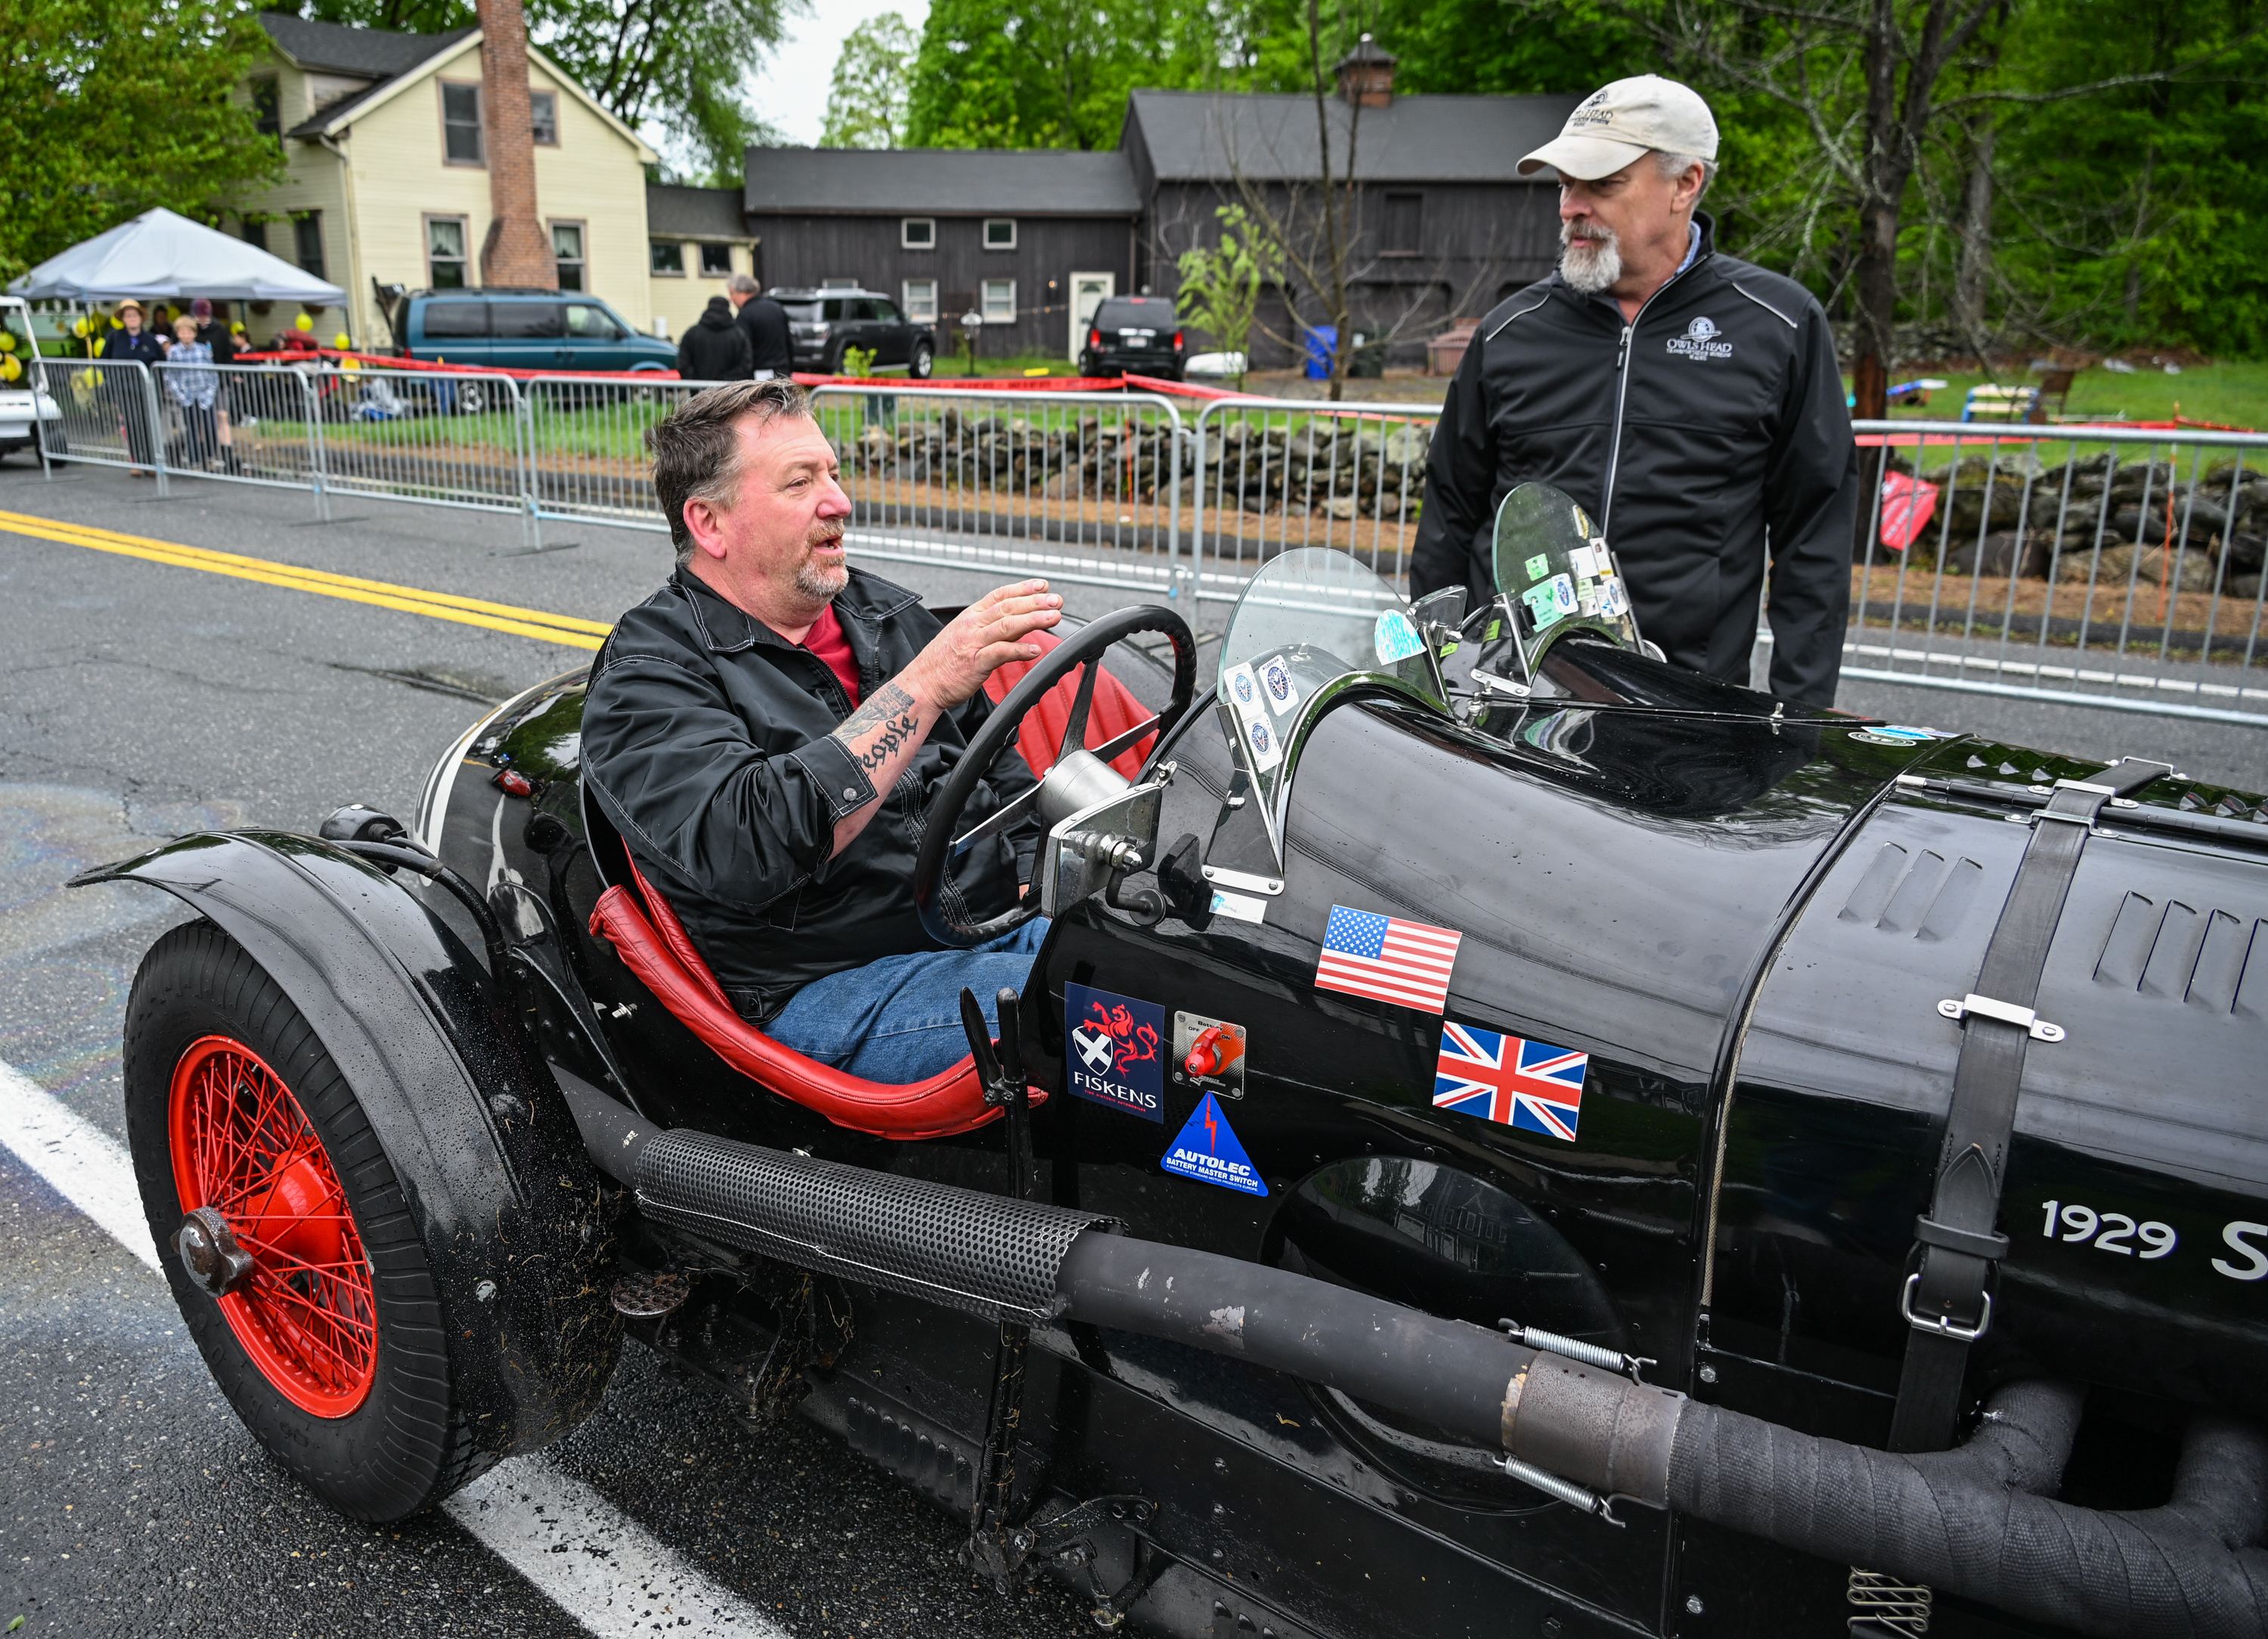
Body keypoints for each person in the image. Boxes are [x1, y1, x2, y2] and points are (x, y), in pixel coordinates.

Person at [580, 379, 1062, 1081]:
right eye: (799, 482)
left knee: (1193, 966)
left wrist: (1037, 876)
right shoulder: (648, 672)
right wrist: (922, 687)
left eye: (832, 473)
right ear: (709, 523)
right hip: (823, 990)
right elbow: (748, 847)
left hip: (985, 933)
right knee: (1116, 1015)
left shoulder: (885, 615)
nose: (839, 501)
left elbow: (1001, 776)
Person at [1409, 75, 1858, 706]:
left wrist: (1800, 720)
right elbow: (1448, 521)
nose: (1571, 206)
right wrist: (1436, 681)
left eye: (1602, 184)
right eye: (1565, 184)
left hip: (1686, 709)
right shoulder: (1511, 331)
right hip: (1513, 701)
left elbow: (1814, 538)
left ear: (1686, 184)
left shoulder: (1778, 327)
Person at [99, 300, 165, 475]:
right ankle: (136, 461)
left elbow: (161, 363)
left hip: (146, 390)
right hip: (124, 389)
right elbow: (104, 362)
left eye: (134, 315)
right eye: (128, 316)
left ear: (141, 318)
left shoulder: (150, 340)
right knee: (132, 424)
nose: (132, 319)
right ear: (123, 319)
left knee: (148, 424)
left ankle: (151, 462)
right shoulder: (114, 338)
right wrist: (111, 381)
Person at [163, 313, 220, 469]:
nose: (186, 335)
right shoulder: (174, 351)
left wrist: (210, 392)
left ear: (194, 333)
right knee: (191, 429)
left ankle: (209, 457)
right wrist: (179, 395)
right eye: (182, 332)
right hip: (187, 397)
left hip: (204, 395)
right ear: (178, 333)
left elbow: (212, 373)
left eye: (189, 332)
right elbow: (170, 375)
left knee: (210, 427)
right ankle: (195, 460)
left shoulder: (202, 350)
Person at [727, 274, 794, 381]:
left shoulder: (745, 315)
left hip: (759, 374)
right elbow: (789, 343)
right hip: (782, 371)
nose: (731, 299)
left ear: (742, 292)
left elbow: (744, 351)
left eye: (732, 293)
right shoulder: (777, 308)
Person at [677, 293, 754, 382]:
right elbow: (745, 365)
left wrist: (697, 381)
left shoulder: (692, 333)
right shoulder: (739, 334)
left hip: (699, 391)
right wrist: (726, 382)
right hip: (728, 391)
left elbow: (683, 363)